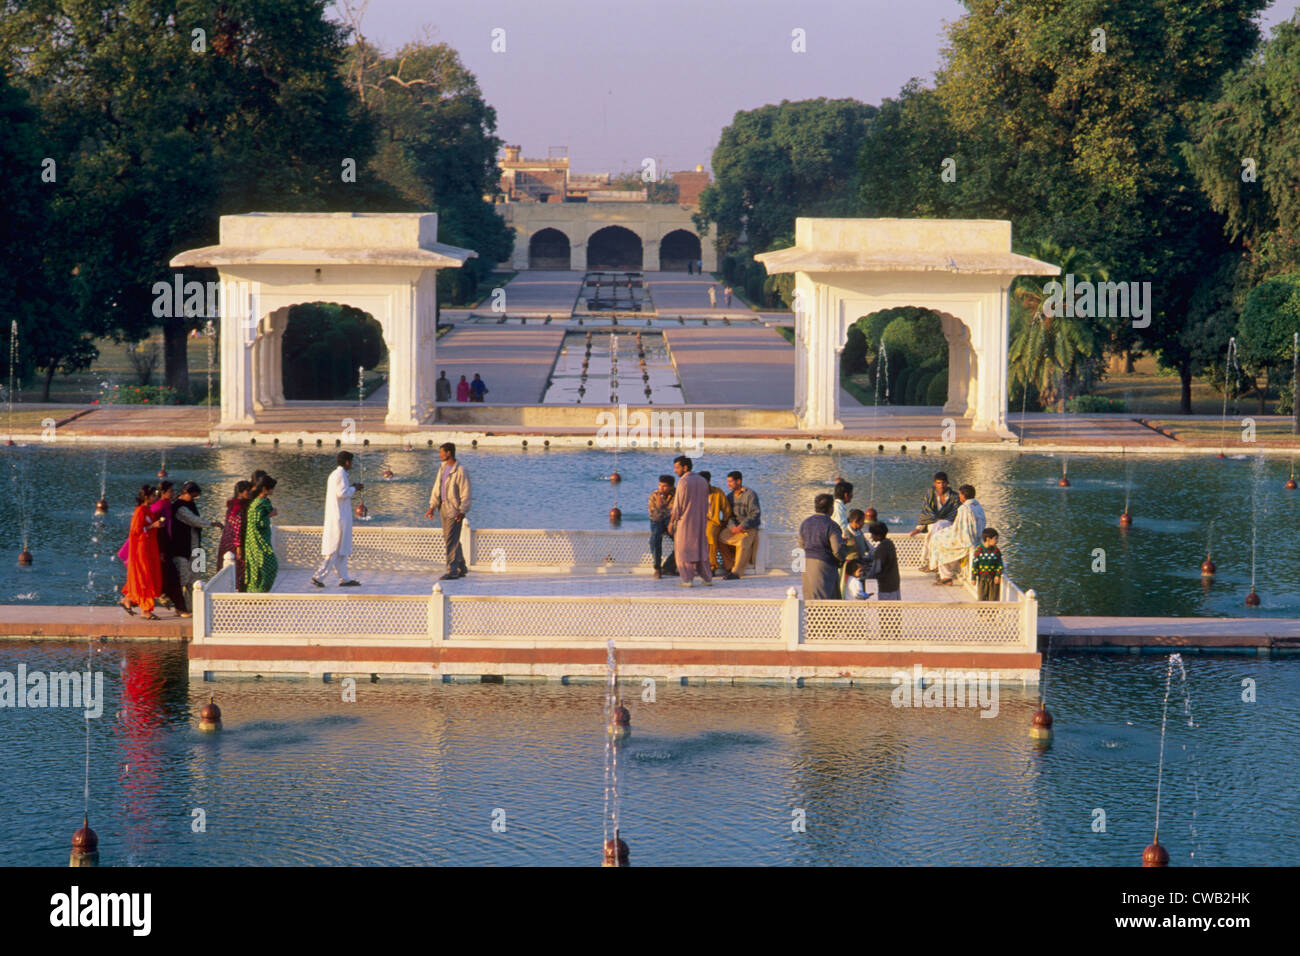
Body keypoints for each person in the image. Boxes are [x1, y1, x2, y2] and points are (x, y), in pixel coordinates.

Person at [167, 481, 222, 617]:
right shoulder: (179, 508)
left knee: (196, 579)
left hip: (196, 548)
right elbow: (194, 520)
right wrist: (212, 523)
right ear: (185, 493)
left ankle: (191, 608)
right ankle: (177, 606)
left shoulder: (190, 504)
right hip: (182, 549)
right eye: (193, 496)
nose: (194, 500)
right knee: (183, 578)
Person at [314, 451, 362, 588]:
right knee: (334, 549)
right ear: (347, 461)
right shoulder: (340, 474)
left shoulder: (337, 474)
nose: (352, 464)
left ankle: (345, 579)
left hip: (339, 516)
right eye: (351, 461)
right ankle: (318, 576)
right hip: (338, 518)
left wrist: (351, 487)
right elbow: (342, 493)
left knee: (341, 550)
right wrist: (355, 488)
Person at [425, 442, 471, 580]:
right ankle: (461, 567)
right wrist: (432, 506)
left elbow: (466, 492)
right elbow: (436, 488)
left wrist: (462, 510)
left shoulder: (460, 470)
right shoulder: (443, 468)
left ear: (449, 453)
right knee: (451, 538)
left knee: (450, 540)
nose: (439, 455)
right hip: (443, 507)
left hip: (455, 509)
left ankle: (452, 570)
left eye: (441, 452)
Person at [121, 485, 164, 619]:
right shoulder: (140, 511)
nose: (155, 498)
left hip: (149, 549)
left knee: (143, 576)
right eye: (152, 496)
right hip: (141, 551)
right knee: (144, 577)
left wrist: (156, 525)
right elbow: (135, 531)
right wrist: (153, 525)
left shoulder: (148, 510)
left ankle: (128, 599)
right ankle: (146, 610)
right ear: (146, 497)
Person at [667, 455, 711, 587]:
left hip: (685, 522)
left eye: (677, 467)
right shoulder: (703, 481)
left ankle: (687, 579)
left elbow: (678, 506)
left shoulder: (683, 482)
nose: (675, 470)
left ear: (685, 467)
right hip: (701, 521)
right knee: (700, 550)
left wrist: (671, 522)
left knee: (683, 550)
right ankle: (707, 578)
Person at [931, 484, 986, 584]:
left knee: (937, 540)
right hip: (977, 538)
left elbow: (959, 528)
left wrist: (947, 532)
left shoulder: (964, 508)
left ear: (964, 496)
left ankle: (946, 576)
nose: (959, 496)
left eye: (960, 494)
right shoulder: (978, 507)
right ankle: (947, 573)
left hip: (966, 540)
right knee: (941, 537)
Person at [800, 493, 849, 599]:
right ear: (831, 508)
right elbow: (837, 550)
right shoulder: (831, 525)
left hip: (806, 565)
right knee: (825, 602)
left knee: (810, 600)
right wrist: (843, 554)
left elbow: (800, 545)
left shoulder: (805, 523)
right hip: (824, 566)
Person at [908, 471, 959, 568]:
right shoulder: (930, 494)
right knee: (935, 528)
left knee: (938, 526)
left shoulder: (954, 496)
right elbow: (926, 512)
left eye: (943, 483)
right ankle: (933, 562)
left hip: (949, 523)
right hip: (933, 523)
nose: (941, 485)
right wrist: (919, 528)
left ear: (947, 483)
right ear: (934, 483)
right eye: (938, 483)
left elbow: (955, 514)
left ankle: (931, 562)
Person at [720, 471, 761, 579]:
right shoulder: (729, 496)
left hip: (749, 527)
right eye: (727, 482)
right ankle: (729, 567)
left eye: (730, 482)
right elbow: (729, 515)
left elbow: (755, 513)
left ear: (738, 481)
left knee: (743, 542)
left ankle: (736, 573)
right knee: (719, 538)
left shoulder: (750, 494)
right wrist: (733, 526)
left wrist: (742, 526)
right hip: (734, 527)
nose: (728, 484)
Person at [244, 476, 279, 593]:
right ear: (264, 488)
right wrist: (270, 515)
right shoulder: (260, 503)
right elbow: (257, 523)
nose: (273, 490)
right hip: (257, 540)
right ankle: (258, 593)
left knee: (260, 567)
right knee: (267, 566)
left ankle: (260, 593)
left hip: (259, 539)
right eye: (271, 488)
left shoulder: (259, 502)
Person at [217, 480, 253, 591]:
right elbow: (237, 527)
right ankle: (236, 593)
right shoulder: (237, 507)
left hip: (228, 540)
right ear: (240, 492)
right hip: (233, 543)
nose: (250, 492)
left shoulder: (235, 505)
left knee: (234, 568)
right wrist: (238, 546)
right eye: (247, 490)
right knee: (238, 567)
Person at [700, 470, 731, 574]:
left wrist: (724, 522)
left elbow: (726, 509)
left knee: (710, 533)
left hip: (713, 522)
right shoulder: (695, 493)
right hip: (698, 522)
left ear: (708, 482)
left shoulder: (717, 492)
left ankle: (712, 566)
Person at [864, 522, 901, 601]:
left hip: (886, 586)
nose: (871, 537)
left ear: (878, 535)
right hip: (894, 582)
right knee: (895, 610)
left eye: (872, 534)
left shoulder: (881, 549)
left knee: (886, 610)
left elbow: (876, 569)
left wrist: (865, 574)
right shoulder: (889, 543)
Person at [648, 475, 675, 580]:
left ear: (671, 487)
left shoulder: (677, 494)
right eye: (660, 485)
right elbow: (654, 516)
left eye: (664, 486)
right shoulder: (654, 495)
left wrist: (671, 523)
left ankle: (668, 566)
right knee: (655, 538)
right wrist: (659, 506)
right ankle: (657, 568)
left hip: (672, 520)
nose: (661, 488)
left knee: (682, 542)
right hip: (657, 520)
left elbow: (676, 512)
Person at [972, 528, 1004, 601]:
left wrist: (997, 575)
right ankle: (981, 612)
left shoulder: (996, 550)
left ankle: (992, 612)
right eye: (995, 539)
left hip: (993, 579)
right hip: (982, 579)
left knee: (993, 598)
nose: (997, 541)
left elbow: (1000, 564)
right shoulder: (979, 550)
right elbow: (975, 565)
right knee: (981, 598)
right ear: (988, 539)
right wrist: (973, 578)